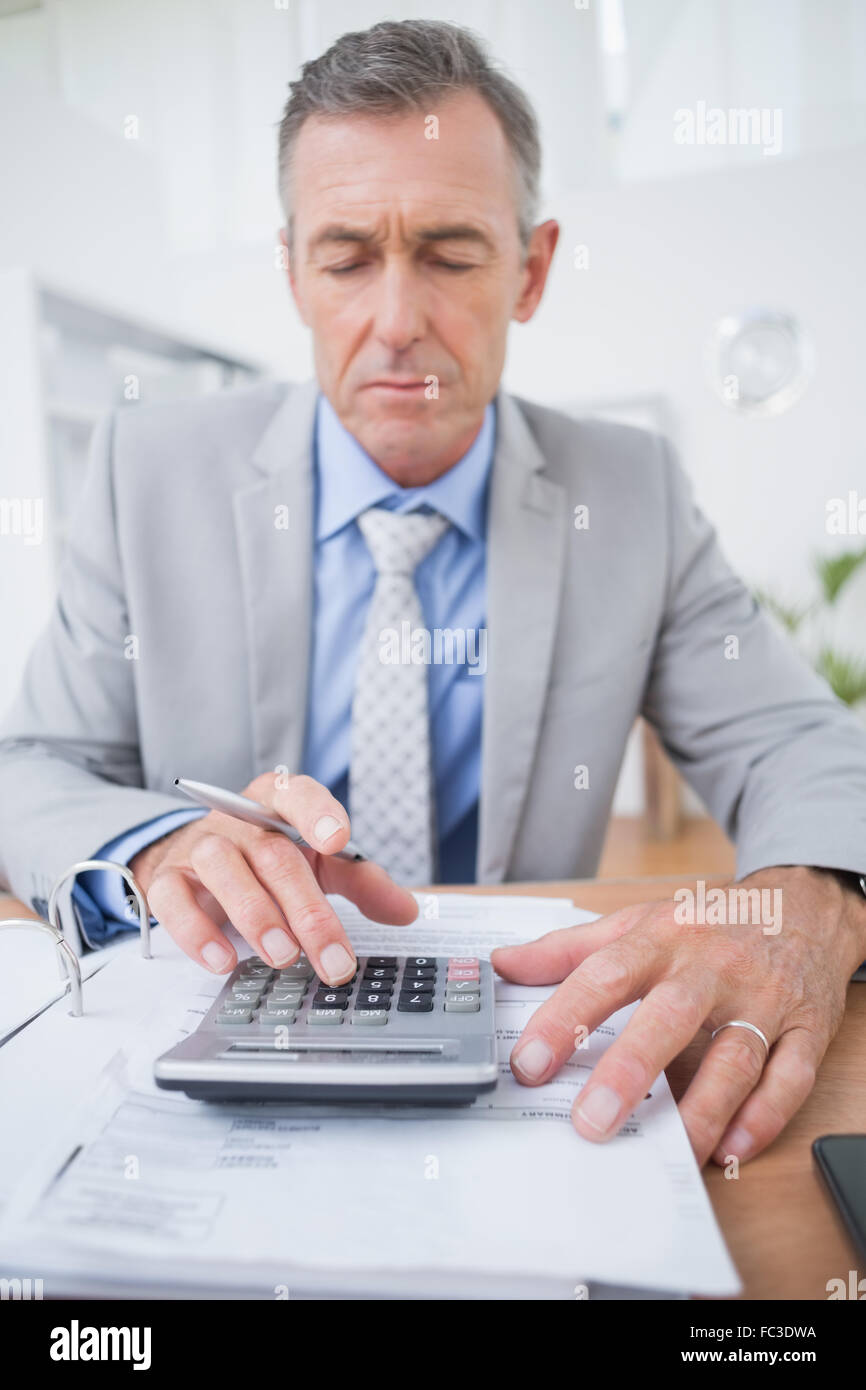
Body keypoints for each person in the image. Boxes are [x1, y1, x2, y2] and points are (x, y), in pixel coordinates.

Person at [2, 20, 865, 1170]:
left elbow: (793, 740)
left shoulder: (628, 490)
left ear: (532, 267)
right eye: (348, 256)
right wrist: (159, 846)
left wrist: (807, 904)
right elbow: (30, 765)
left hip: (517, 1062)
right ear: (292, 268)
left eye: (452, 253)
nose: (397, 320)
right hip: (212, 1048)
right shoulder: (146, 471)